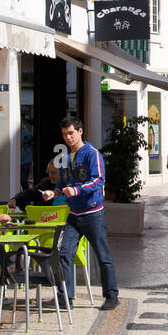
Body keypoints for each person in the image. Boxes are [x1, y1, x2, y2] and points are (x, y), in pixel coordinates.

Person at [51, 116, 120, 310]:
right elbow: (63, 184)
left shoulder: (91, 154)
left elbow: (98, 180)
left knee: (102, 254)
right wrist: (54, 192)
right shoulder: (65, 157)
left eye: (71, 133)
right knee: (64, 253)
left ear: (80, 131)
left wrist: (77, 190)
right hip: (73, 214)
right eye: (65, 135)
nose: (68, 138)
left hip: (92, 213)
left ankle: (111, 295)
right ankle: (65, 296)